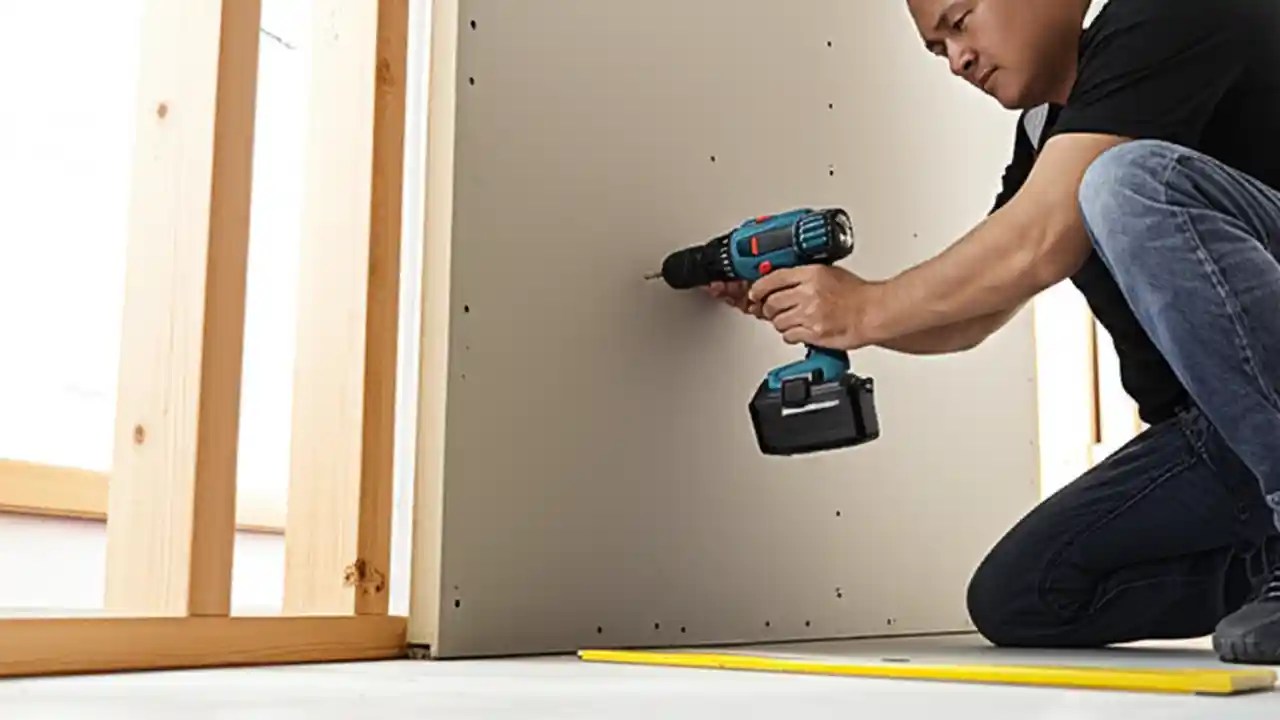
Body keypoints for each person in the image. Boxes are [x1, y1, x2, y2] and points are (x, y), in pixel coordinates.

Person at [714, 0, 1280, 664]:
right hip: (1225, 438)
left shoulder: (1172, 15)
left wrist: (863, 309)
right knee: (1022, 594)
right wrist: (825, 309)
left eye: (960, 21)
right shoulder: (1046, 132)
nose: (958, 60)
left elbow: (1036, 242)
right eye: (937, 51)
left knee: (1126, 184)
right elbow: (974, 312)